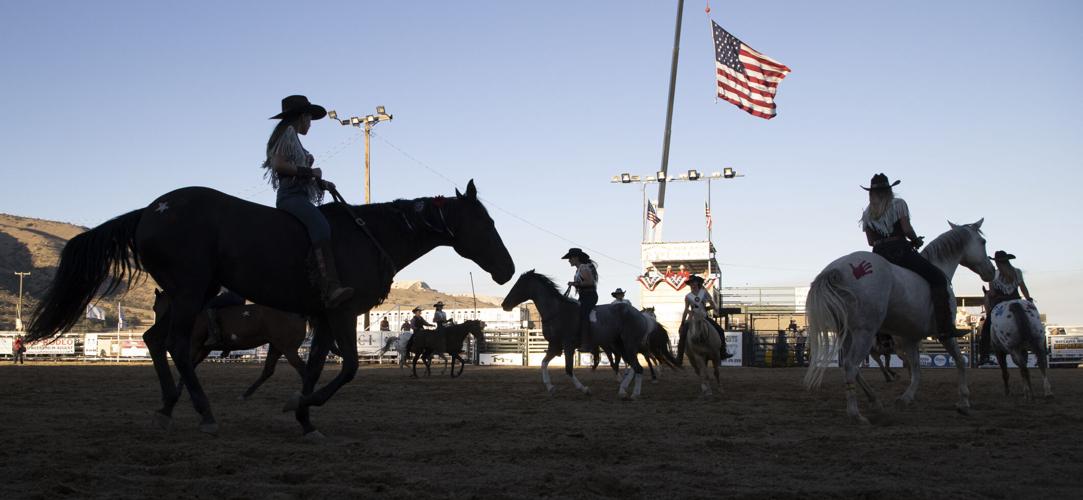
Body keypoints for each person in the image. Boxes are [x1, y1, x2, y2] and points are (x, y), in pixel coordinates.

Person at [262, 95, 353, 309]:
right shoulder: (288, 134)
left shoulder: (290, 136)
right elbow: (279, 165)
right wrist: (310, 171)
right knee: (320, 226)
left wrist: (321, 182)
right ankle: (330, 286)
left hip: (298, 195)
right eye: (309, 118)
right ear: (302, 117)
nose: (310, 123)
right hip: (291, 197)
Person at [860, 173, 956, 339]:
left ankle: (881, 338)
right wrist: (916, 239)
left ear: (872, 193)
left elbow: (870, 241)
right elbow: (906, 229)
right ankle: (944, 326)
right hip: (900, 251)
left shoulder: (867, 213)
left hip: (879, 255)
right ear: (889, 190)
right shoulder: (898, 204)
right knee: (938, 278)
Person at [978, 250, 1034, 365]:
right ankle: (1035, 343)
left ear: (997, 262)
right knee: (1032, 318)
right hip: (1017, 299)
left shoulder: (994, 275)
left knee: (986, 329)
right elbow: (1023, 287)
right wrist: (1028, 299)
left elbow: (992, 293)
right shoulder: (1017, 272)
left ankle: (984, 355)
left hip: (1000, 302)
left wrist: (988, 294)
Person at [678, 275, 732, 362]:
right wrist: (682, 323)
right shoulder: (688, 296)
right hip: (692, 318)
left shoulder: (703, 292)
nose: (692, 284)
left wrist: (707, 309)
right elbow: (686, 310)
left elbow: (712, 305)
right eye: (691, 282)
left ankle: (722, 352)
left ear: (697, 283)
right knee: (683, 333)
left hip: (704, 317)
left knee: (720, 330)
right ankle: (679, 357)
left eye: (694, 282)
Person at [564, 248, 598, 347]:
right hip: (584, 296)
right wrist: (575, 284)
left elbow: (590, 282)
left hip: (589, 296)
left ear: (575, 258)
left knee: (583, 315)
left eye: (570, 258)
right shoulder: (580, 269)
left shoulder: (583, 268)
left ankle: (586, 342)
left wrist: (575, 283)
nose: (569, 260)